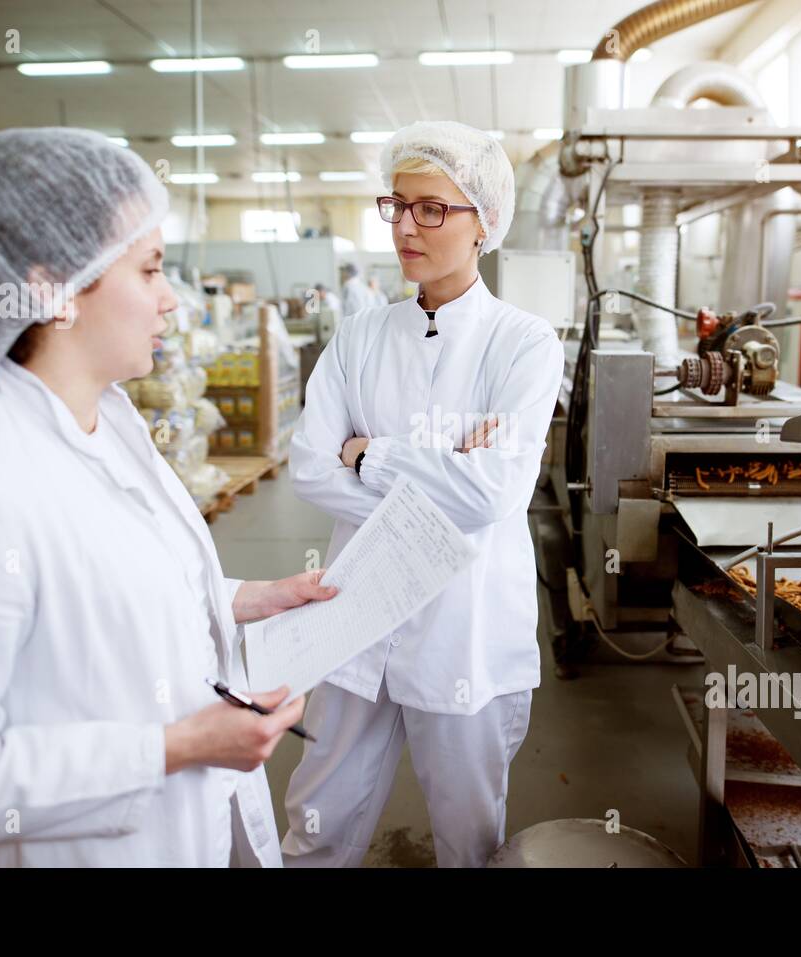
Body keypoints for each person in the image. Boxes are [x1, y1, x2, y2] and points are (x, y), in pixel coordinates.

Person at [0, 128, 335, 867]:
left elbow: (103, 589)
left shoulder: (108, 417)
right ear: (53, 290)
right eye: (149, 269)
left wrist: (244, 597)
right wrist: (173, 746)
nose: (172, 300)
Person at [283, 120, 564, 867]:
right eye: (396, 204)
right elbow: (309, 465)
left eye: (432, 208)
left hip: (463, 629)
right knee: (317, 819)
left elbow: (495, 491)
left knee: (468, 836)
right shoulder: (358, 337)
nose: (406, 225)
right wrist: (440, 471)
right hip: (357, 618)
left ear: (485, 223)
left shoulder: (524, 343)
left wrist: (370, 453)